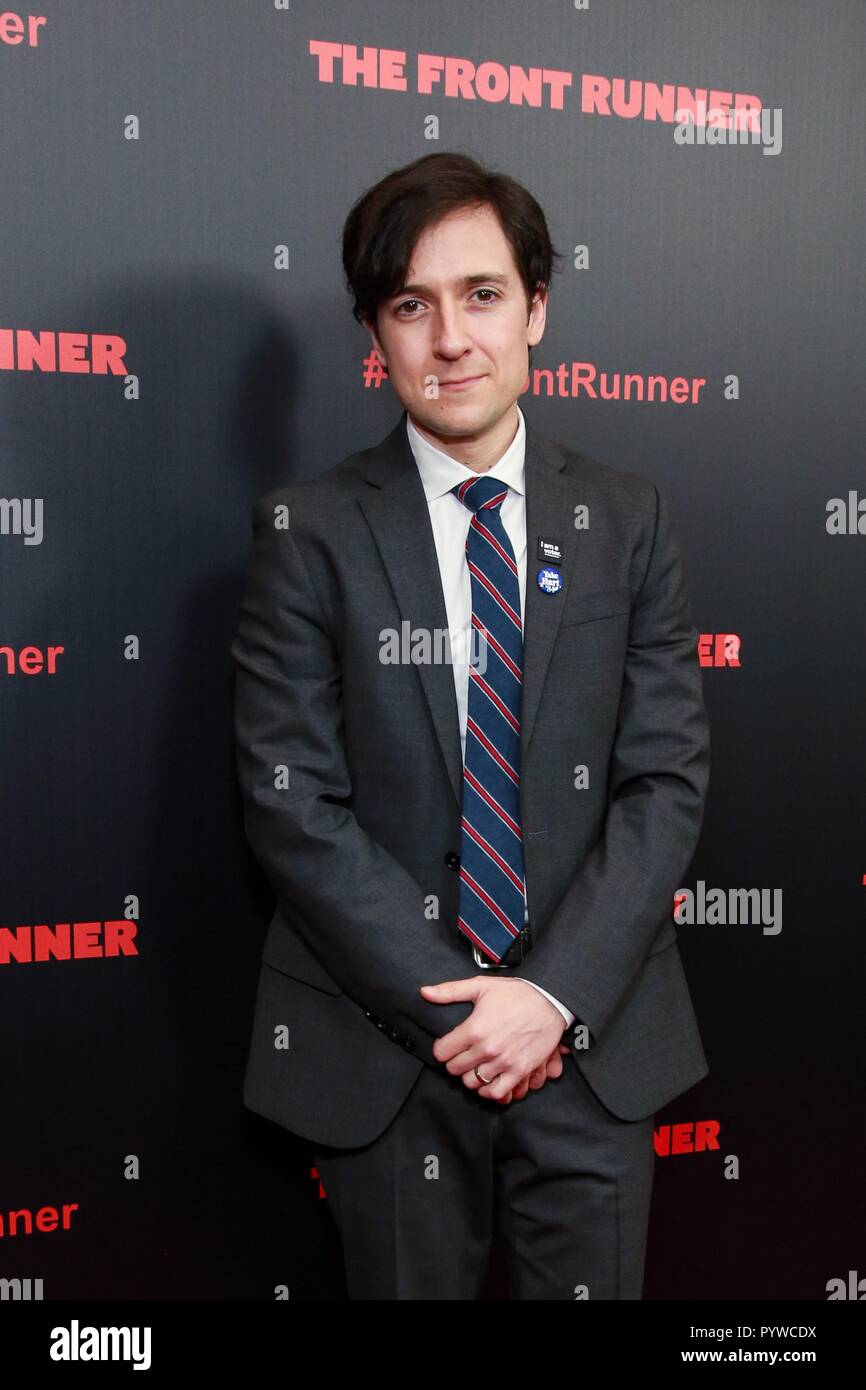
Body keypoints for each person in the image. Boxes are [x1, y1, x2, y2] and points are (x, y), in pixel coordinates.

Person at [230, 151, 710, 1300]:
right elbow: (293, 803)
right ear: (375, 332)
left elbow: (663, 785)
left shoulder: (628, 521)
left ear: (536, 309)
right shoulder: (307, 532)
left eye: (482, 294)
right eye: (410, 304)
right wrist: (464, 1013)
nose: (450, 338)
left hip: (589, 1050)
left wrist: (544, 1001)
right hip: (385, 1053)